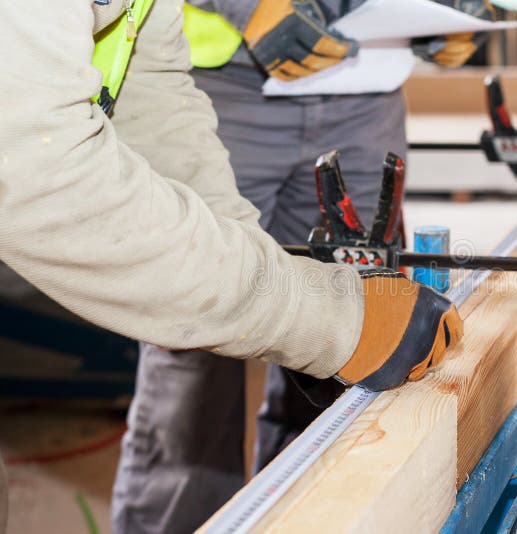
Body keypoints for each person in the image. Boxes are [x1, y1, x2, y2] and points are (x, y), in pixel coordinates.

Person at [0, 1, 466, 532]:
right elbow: (35, 169)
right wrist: (328, 321)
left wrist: (269, 275)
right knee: (193, 371)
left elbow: (148, 85)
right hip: (240, 82)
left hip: (365, 89)